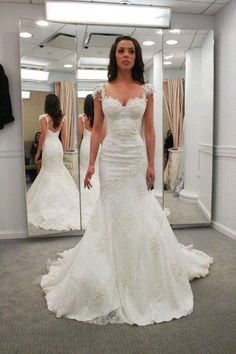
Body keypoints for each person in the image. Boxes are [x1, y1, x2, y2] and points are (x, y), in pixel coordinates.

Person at [40, 36, 213, 325]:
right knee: (111, 210)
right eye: (121, 51)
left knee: (139, 209)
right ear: (114, 55)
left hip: (134, 158)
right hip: (111, 159)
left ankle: (144, 269)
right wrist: (92, 163)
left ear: (136, 56)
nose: (126, 55)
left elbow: (150, 130)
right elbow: (96, 131)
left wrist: (151, 165)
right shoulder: (101, 90)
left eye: (131, 51)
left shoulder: (146, 91)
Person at [27, 94, 81, 231]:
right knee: (58, 172)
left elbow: (43, 136)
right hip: (57, 147)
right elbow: (63, 137)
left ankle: (49, 204)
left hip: (48, 147)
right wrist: (62, 151)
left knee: (48, 172)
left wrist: (38, 153)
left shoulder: (43, 118)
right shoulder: (62, 118)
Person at [78, 94, 100, 228]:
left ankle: (86, 196)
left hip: (86, 145)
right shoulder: (100, 117)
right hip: (98, 145)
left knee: (84, 170)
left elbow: (80, 135)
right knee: (96, 171)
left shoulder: (82, 118)